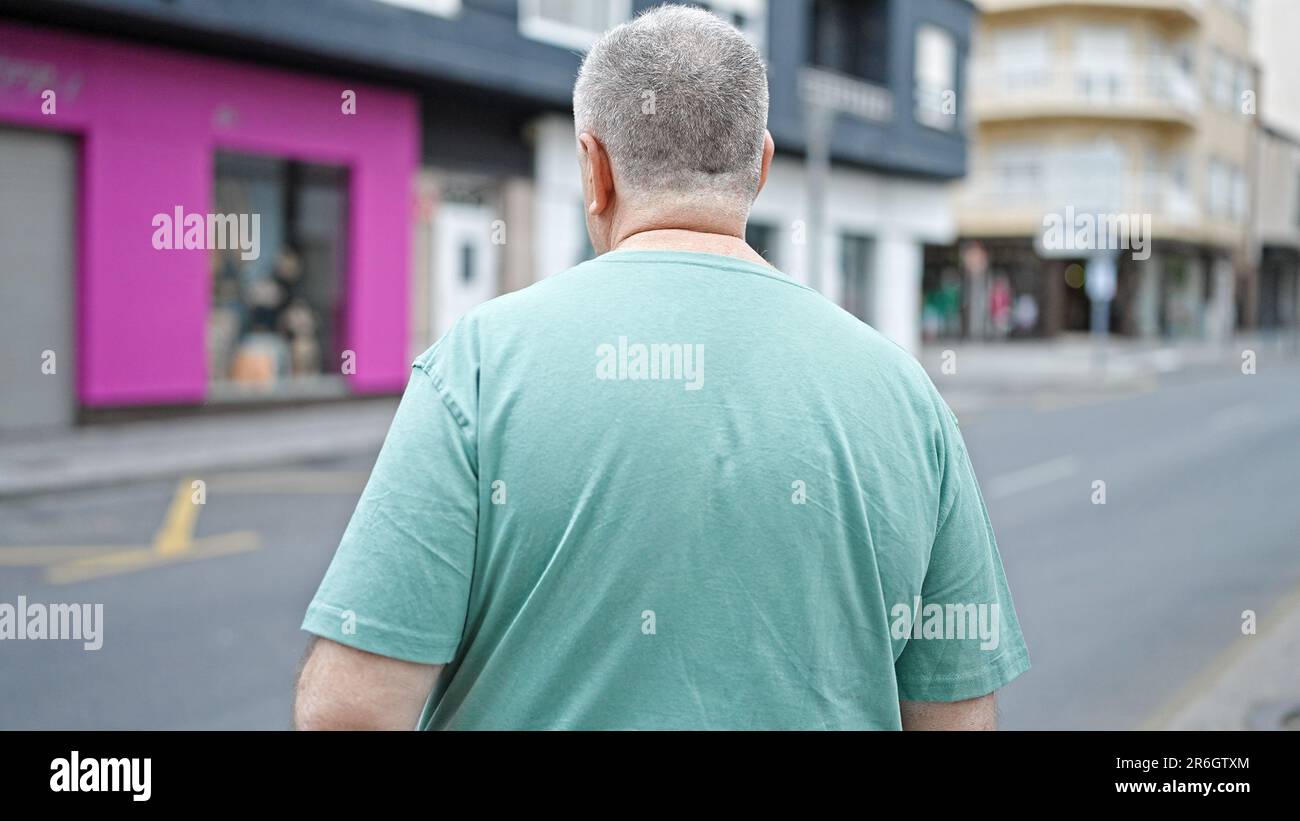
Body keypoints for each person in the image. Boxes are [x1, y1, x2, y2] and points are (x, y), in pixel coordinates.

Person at [294, 4, 1028, 730]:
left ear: (595, 169)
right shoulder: (906, 397)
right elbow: (957, 716)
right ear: (761, 166)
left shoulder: (480, 364)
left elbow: (349, 712)